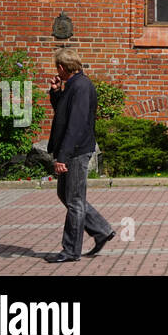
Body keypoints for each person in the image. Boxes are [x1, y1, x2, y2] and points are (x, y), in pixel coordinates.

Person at [45, 48, 115, 262]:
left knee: (74, 201)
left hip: (76, 151)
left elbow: (75, 125)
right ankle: (101, 229)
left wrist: (63, 157)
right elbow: (64, 114)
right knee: (67, 196)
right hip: (71, 150)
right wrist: (56, 92)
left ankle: (70, 251)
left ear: (61, 67)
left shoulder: (81, 87)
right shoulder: (73, 85)